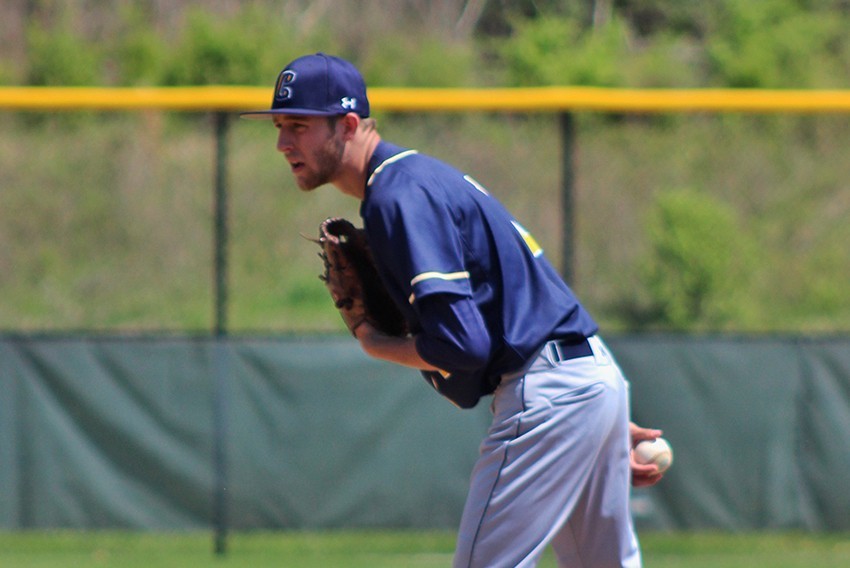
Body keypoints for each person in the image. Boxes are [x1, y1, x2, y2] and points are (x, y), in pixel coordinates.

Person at [243, 52, 665, 568]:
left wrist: (376, 344)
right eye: (281, 125)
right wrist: (592, 419)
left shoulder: (398, 197)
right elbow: (530, 297)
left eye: (299, 126)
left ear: (348, 124)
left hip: (551, 391)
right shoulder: (422, 178)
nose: (283, 142)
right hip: (586, 376)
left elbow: (464, 347)